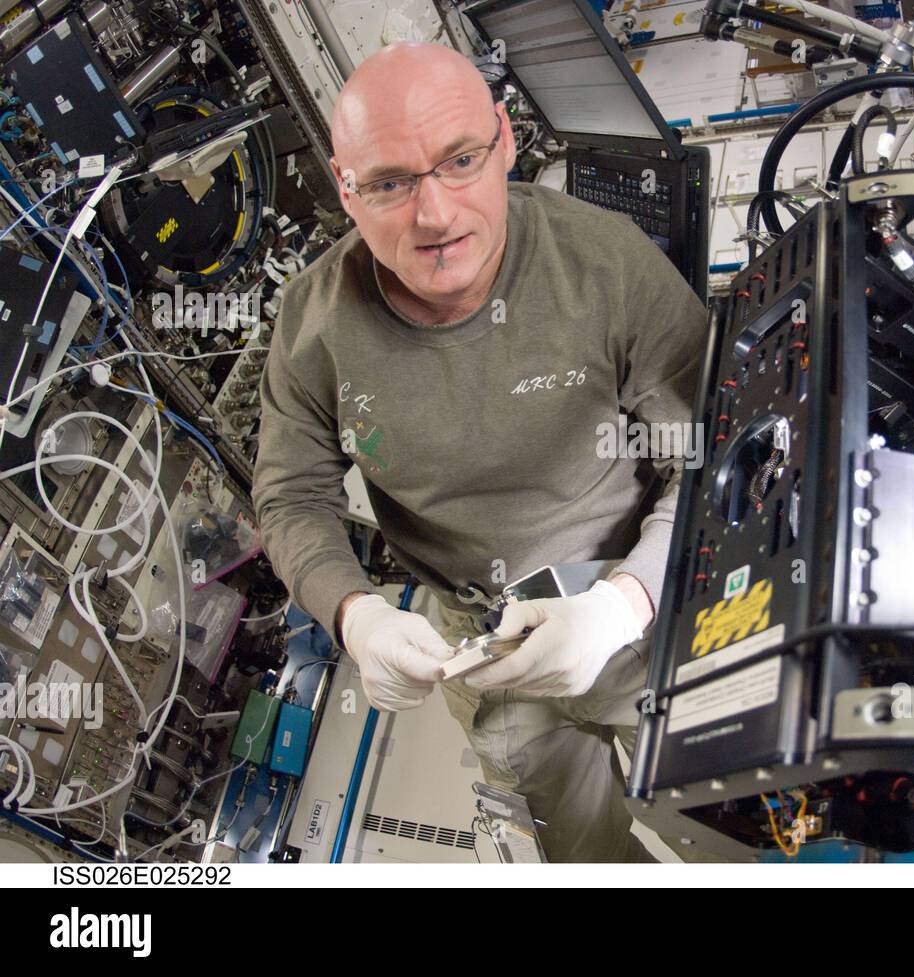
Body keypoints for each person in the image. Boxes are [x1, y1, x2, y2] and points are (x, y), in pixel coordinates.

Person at [250, 41, 708, 862]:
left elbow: (711, 453)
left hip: (643, 598)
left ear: (504, 138)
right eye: (390, 182)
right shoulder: (313, 325)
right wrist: (355, 617)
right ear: (343, 187)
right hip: (480, 643)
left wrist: (621, 605)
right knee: (581, 851)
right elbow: (291, 496)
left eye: (461, 160)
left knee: (734, 808)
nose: (435, 215)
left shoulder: (605, 262)